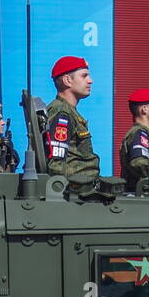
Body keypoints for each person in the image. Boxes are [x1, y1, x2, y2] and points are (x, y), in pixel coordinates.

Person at [45, 56, 102, 195]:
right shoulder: (62, 112)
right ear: (67, 80)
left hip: (83, 187)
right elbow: (56, 165)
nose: (90, 80)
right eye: (84, 76)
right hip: (76, 193)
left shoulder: (68, 111)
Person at [119, 88, 149, 194]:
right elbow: (138, 162)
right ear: (144, 109)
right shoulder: (139, 133)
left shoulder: (142, 133)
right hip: (139, 195)